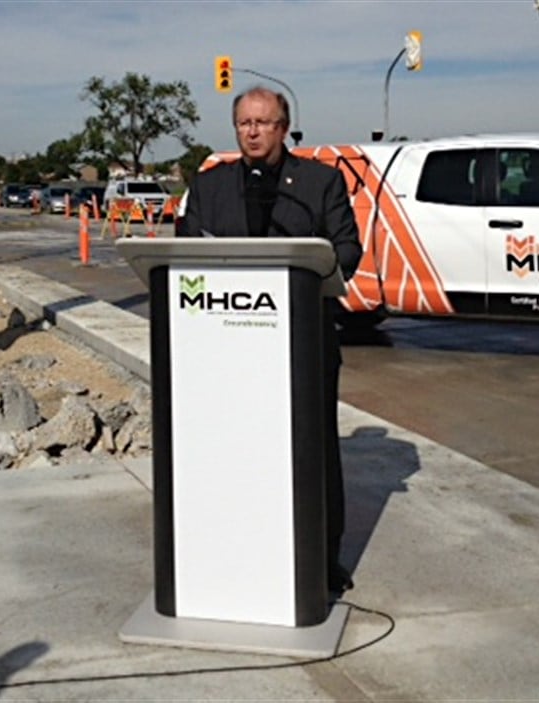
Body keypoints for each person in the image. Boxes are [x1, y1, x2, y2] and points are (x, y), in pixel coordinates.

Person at [178, 86, 363, 594]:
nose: (253, 132)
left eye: (263, 122)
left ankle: (321, 559)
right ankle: (234, 550)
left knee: (313, 452)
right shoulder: (210, 185)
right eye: (244, 123)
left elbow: (347, 248)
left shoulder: (319, 183)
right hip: (227, 346)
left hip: (302, 342)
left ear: (284, 127)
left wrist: (311, 262)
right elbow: (186, 244)